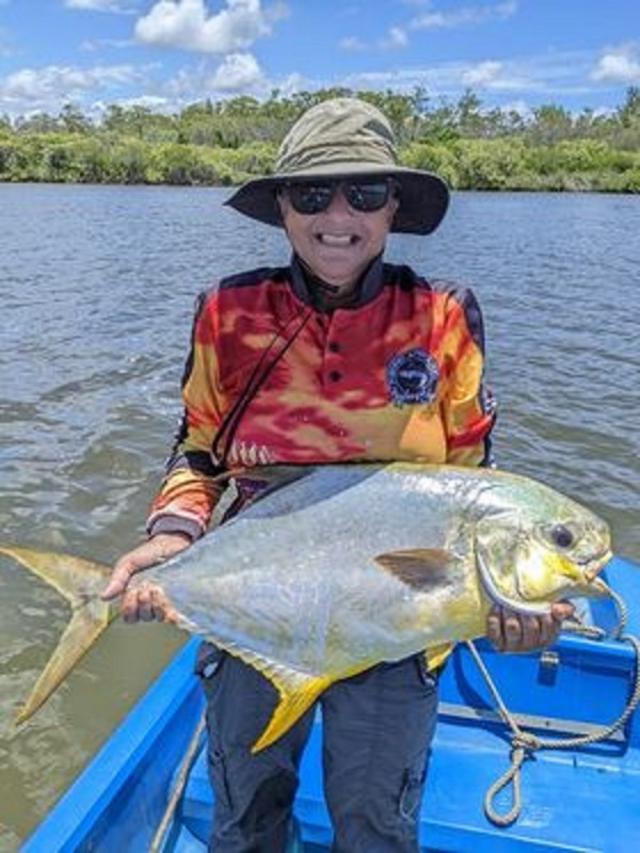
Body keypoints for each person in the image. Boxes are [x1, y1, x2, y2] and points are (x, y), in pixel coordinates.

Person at [102, 98, 573, 852]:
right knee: (244, 818)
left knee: (376, 826)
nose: (338, 216)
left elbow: (471, 483)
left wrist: (506, 599)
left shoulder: (442, 316)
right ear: (283, 207)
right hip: (259, 590)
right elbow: (198, 449)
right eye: (313, 193)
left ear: (392, 208)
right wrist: (172, 532)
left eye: (364, 193)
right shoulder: (228, 311)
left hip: (393, 625)